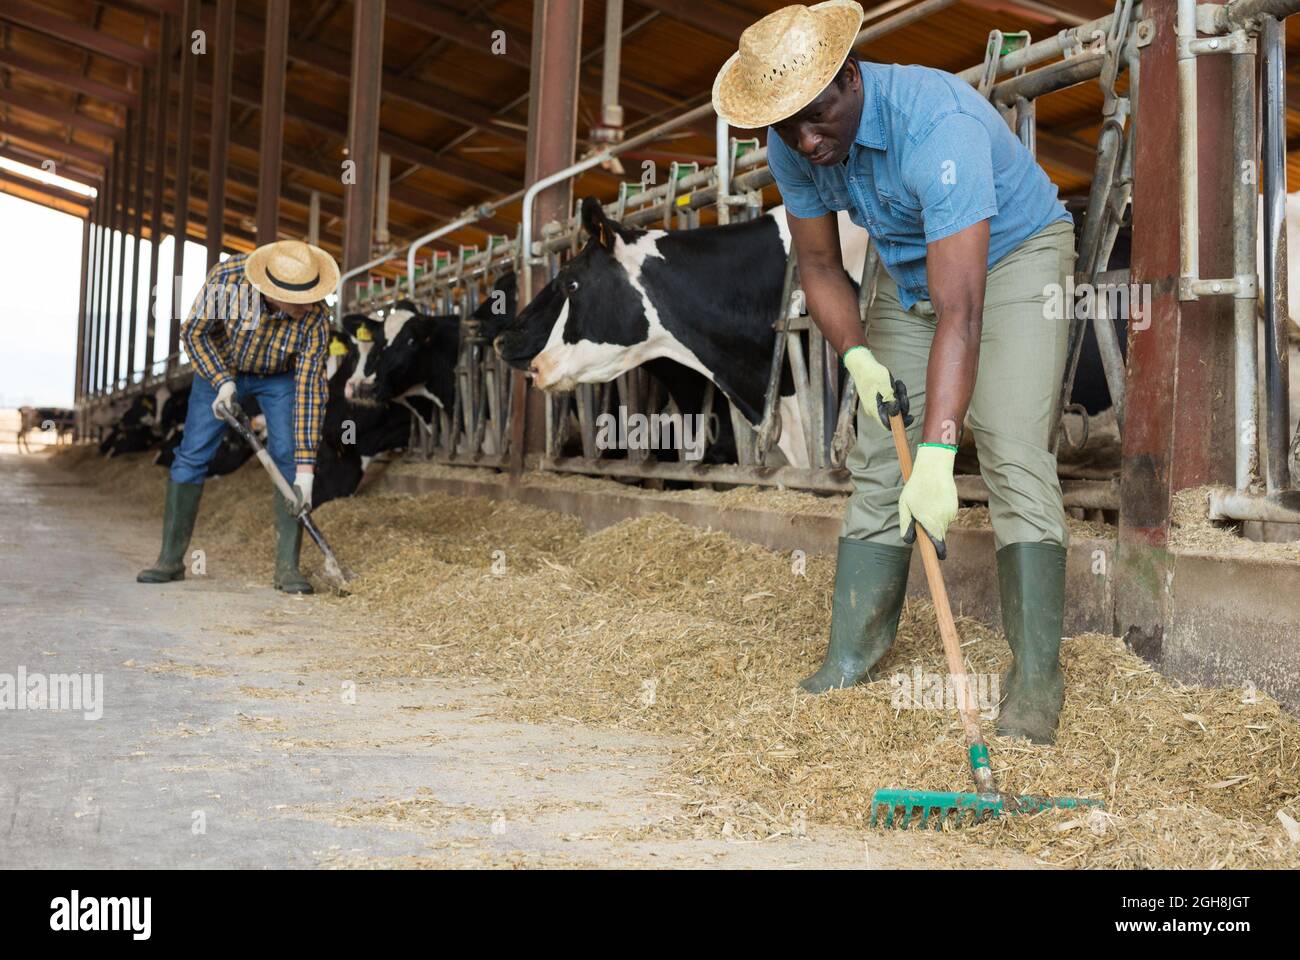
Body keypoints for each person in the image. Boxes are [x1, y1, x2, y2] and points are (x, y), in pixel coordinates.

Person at [712, 1, 1077, 743]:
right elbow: (817, 263)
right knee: (882, 457)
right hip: (911, 275)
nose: (808, 142)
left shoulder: (936, 124)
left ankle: (1036, 682)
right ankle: (852, 654)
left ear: (851, 77)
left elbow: (963, 314)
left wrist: (942, 450)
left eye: (819, 116)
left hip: (1010, 263)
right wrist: (856, 354)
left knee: (1007, 445)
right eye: (788, 128)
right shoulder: (797, 139)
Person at [136, 240, 338, 595]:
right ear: (272, 292)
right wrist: (222, 382)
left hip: (279, 379)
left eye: (314, 296)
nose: (311, 305)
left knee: (288, 454)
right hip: (221, 367)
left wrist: (306, 472)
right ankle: (169, 560)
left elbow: (309, 391)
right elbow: (193, 334)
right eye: (301, 300)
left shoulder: (316, 318)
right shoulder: (228, 280)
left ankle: (287, 569)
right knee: (193, 452)